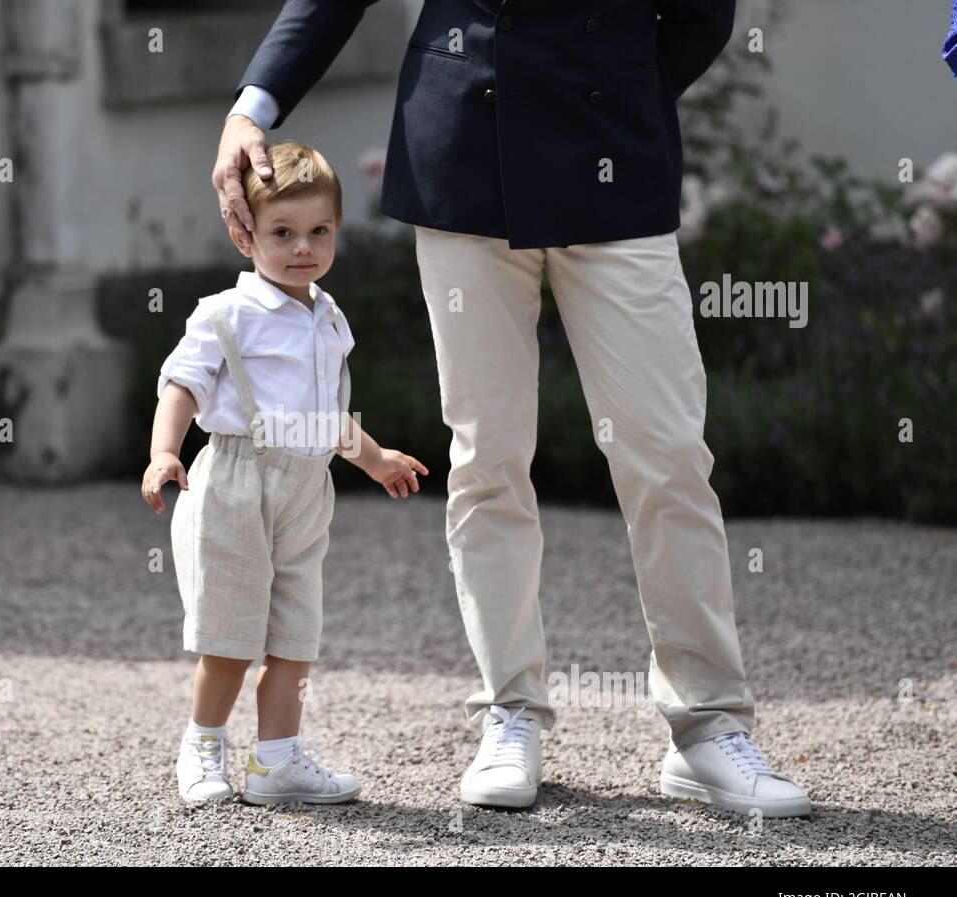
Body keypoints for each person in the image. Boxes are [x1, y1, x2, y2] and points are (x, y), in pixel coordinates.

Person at [212, 0, 812, 817]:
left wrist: (607, 89)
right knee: (487, 454)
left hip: (615, 166)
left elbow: (703, 14)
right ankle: (511, 712)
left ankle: (708, 728)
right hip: (466, 159)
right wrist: (254, 105)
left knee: (666, 452)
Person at [143, 140, 429, 805]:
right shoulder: (226, 315)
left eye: (319, 231)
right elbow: (180, 386)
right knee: (230, 636)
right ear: (247, 236)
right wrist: (165, 452)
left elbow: (325, 415)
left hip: (307, 487)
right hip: (237, 485)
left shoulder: (328, 316)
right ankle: (203, 746)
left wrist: (375, 457)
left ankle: (276, 761)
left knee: (297, 635)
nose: (304, 247)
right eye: (283, 232)